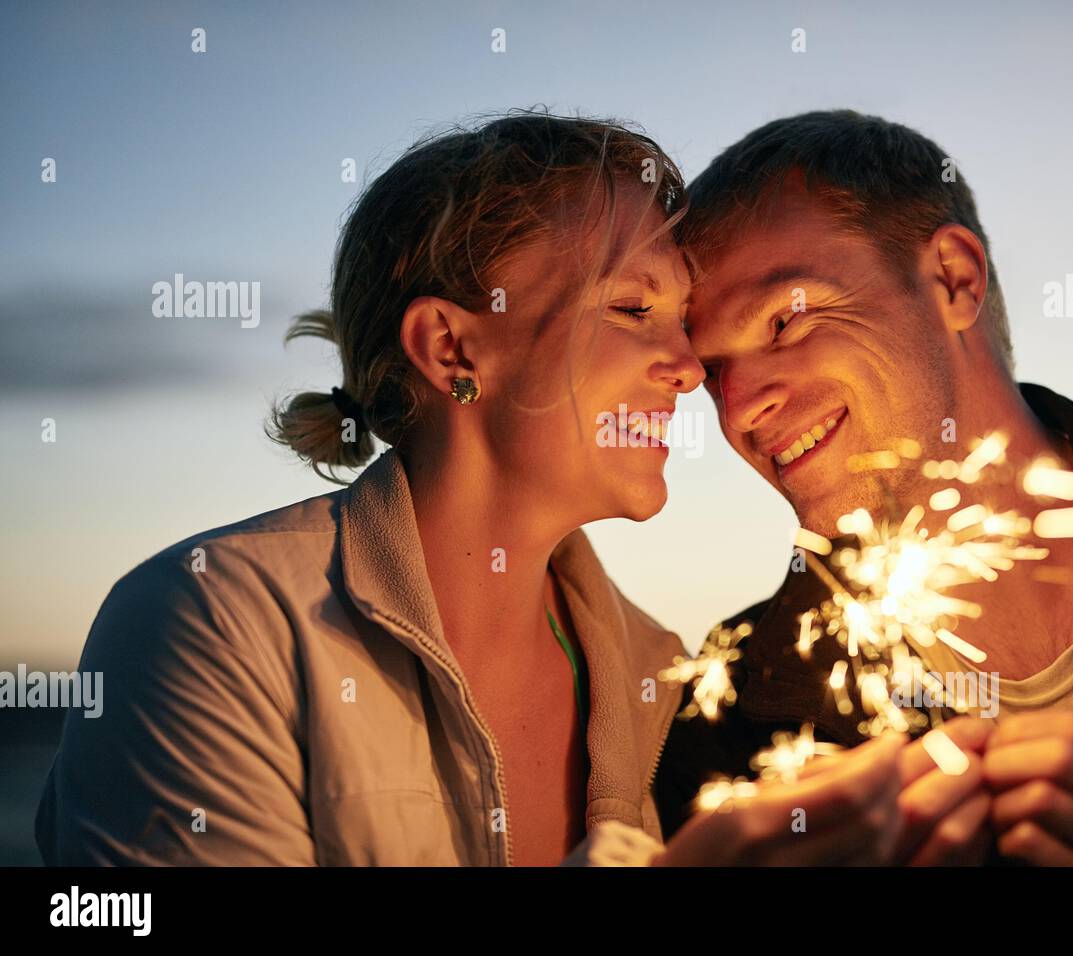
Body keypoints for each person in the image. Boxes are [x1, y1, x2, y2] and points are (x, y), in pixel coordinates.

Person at [35, 112, 905, 867]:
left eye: (682, 323)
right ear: (452, 349)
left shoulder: (658, 675)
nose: (688, 370)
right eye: (633, 310)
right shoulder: (216, 622)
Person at [655, 110, 1073, 865]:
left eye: (784, 322)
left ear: (954, 279)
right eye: (715, 372)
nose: (738, 408)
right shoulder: (735, 708)